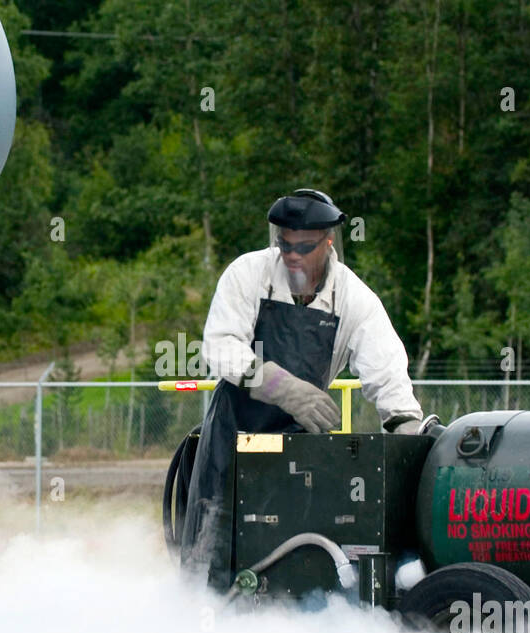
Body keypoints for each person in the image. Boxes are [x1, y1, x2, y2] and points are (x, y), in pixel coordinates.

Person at [179, 189, 427, 591]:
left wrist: (407, 431)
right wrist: (282, 386)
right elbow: (220, 346)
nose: (292, 255)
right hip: (233, 437)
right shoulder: (248, 273)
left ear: (328, 243)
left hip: (301, 446)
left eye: (304, 247)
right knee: (213, 546)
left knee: (296, 551)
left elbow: (387, 373)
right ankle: (204, 624)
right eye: (285, 245)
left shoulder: (354, 298)